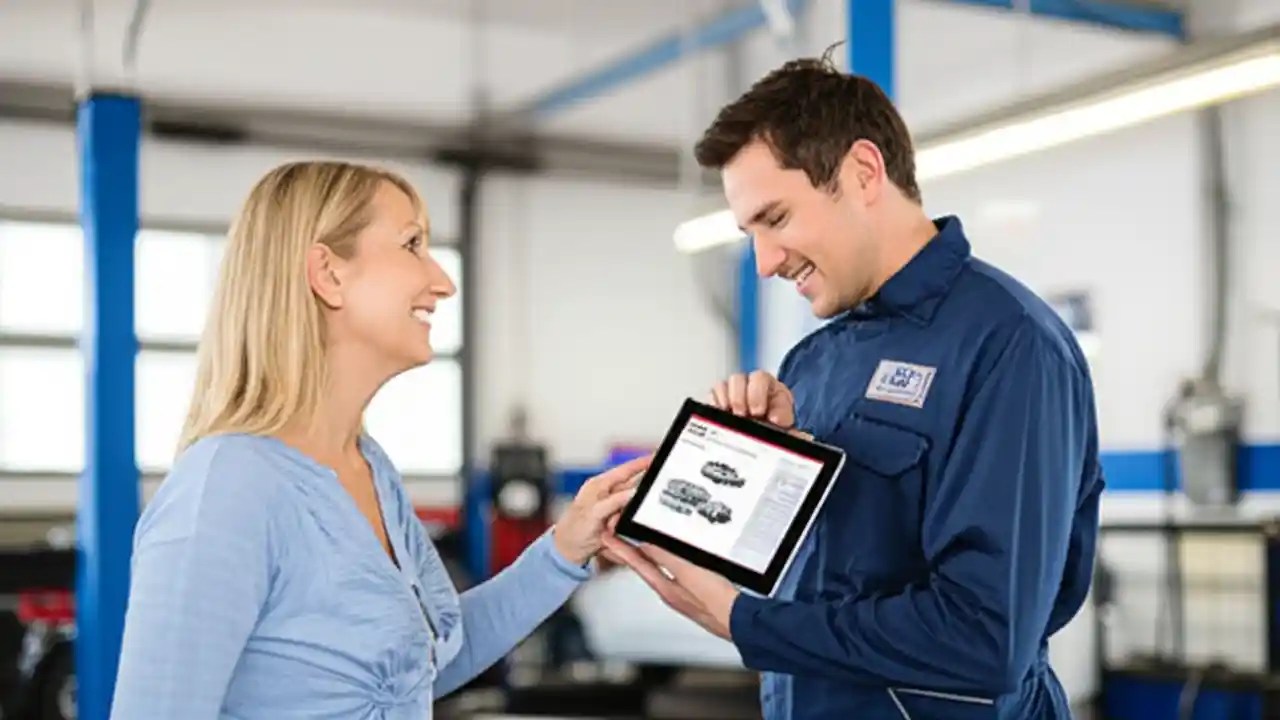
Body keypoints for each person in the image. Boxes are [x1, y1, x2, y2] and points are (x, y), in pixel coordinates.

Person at [603, 52, 1103, 719]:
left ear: (864, 173)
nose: (764, 262)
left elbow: (987, 637)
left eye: (775, 219)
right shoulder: (814, 361)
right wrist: (759, 461)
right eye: (749, 232)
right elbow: (819, 570)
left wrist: (748, 625)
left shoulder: (1010, 346)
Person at [110, 161, 650, 719]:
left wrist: (566, 548)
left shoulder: (369, 469)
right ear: (328, 273)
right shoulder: (225, 489)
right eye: (412, 243)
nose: (442, 282)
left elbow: (420, 668)